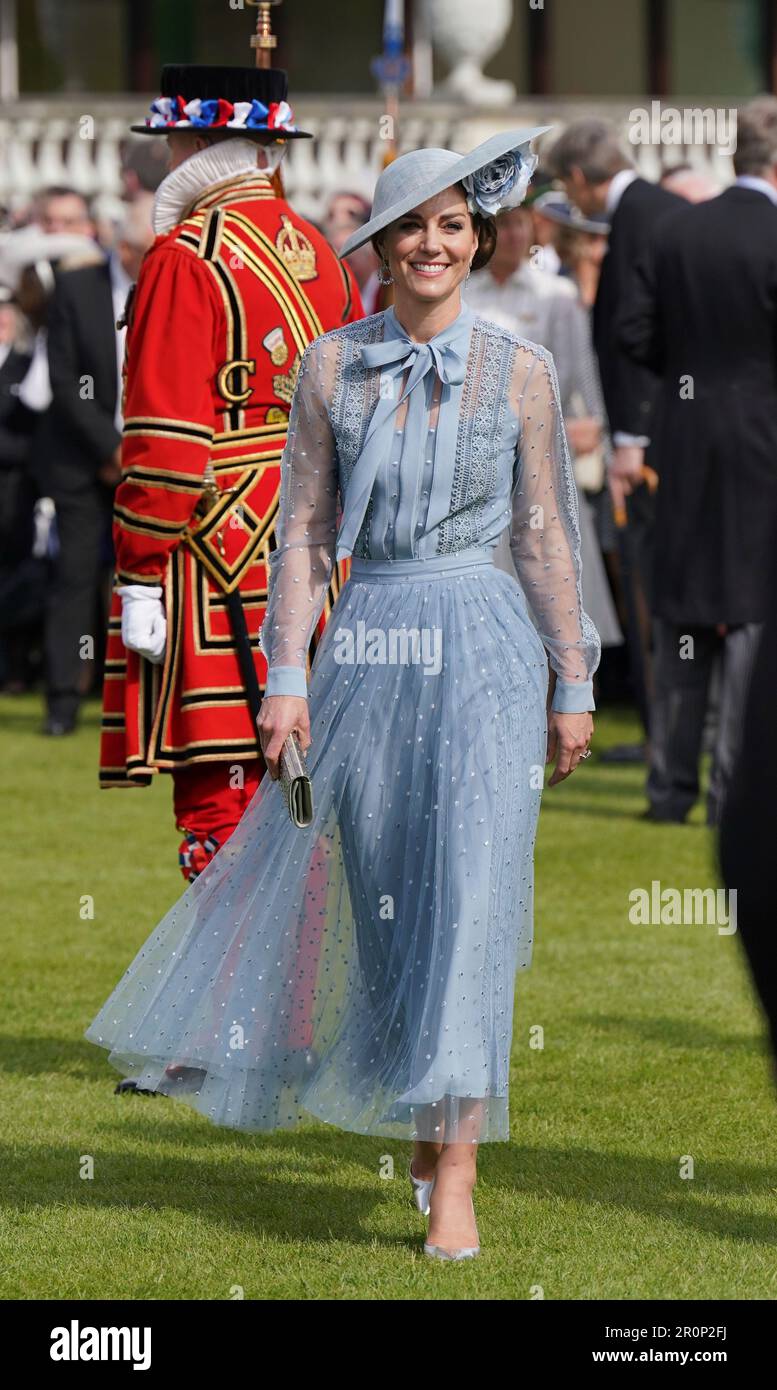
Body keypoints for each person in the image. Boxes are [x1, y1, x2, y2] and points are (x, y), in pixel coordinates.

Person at [85, 127, 601, 1262]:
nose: (434, 243)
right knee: (390, 905)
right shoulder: (331, 365)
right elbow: (303, 533)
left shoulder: (522, 367)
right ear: (379, 242)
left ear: (479, 238)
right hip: (365, 647)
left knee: (467, 897)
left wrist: (573, 678)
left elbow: (545, 534)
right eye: (412, 225)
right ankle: (428, 1104)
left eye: (454, 225)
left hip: (487, 648)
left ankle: (457, 1166)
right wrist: (281, 673)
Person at [99, 61, 364, 883]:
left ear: (192, 143)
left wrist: (139, 570)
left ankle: (241, 1014)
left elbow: (167, 444)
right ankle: (295, 1008)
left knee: (221, 810)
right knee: (304, 800)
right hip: (315, 553)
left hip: (215, 552)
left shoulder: (186, 254)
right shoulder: (321, 252)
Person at [618, 96, 777, 825]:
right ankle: (732, 789)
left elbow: (633, 332)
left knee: (681, 603)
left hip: (681, 434)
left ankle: (667, 786)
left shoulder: (677, 229)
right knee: (750, 609)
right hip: (761, 438)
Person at [547, 120, 684, 756]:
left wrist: (629, 438)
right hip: (679, 429)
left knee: (649, 591)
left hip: (651, 441)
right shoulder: (666, 207)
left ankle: (666, 746)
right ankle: (672, 738)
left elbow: (632, 335)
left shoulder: (636, 218)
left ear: (577, 177)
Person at [43, 197, 155, 735]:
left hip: (153, 460)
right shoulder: (76, 289)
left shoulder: (170, 287)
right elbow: (66, 381)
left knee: (151, 578)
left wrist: (141, 453)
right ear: (126, 249)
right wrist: (110, 448)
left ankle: (149, 702)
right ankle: (65, 698)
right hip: (84, 462)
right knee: (76, 576)